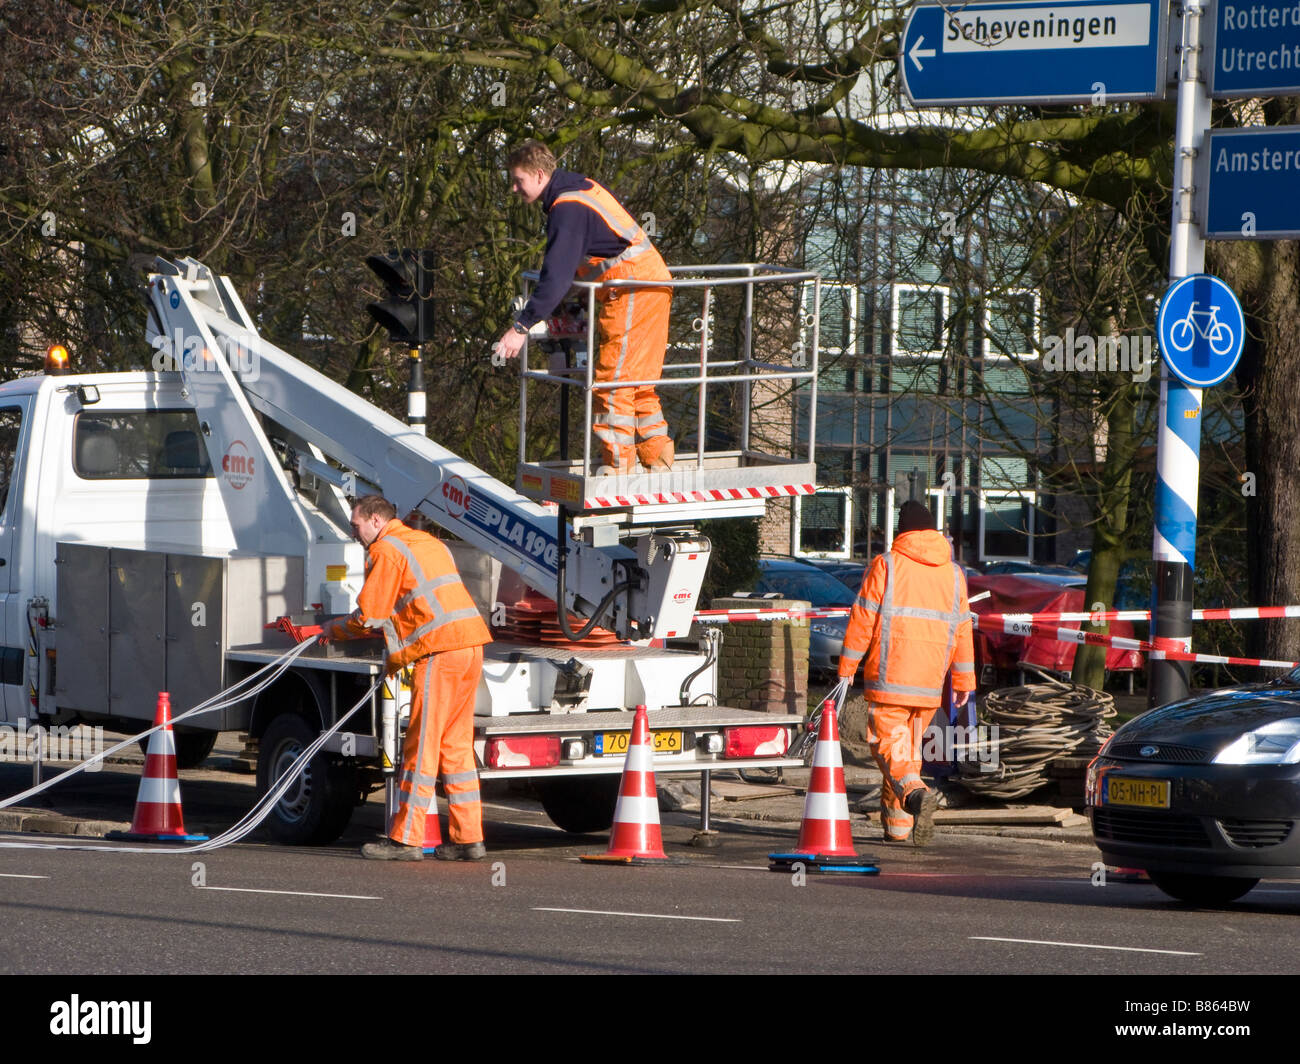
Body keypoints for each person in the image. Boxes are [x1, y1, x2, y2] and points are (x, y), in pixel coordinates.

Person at [493, 139, 674, 474]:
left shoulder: (567, 207)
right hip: (652, 283)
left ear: (539, 174)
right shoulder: (578, 188)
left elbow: (556, 277)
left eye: (518, 180)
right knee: (638, 382)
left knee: (613, 380)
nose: (514, 187)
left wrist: (521, 326)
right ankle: (657, 455)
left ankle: (618, 466)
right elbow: (593, 256)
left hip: (631, 287)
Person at [326, 495, 492, 861]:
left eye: (355, 525)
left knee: (421, 746)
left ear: (374, 520)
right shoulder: (426, 541)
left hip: (440, 652)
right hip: (471, 645)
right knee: (457, 746)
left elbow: (368, 616)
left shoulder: (385, 550)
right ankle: (469, 840)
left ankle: (405, 840)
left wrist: (330, 630)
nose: (353, 533)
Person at [837, 500, 975, 846]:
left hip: (890, 678)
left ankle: (915, 795)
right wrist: (964, 681)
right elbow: (962, 630)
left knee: (890, 747)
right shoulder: (954, 574)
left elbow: (863, 618)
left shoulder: (887, 565)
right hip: (929, 684)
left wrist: (847, 667)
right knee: (905, 752)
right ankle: (898, 829)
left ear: (902, 531)